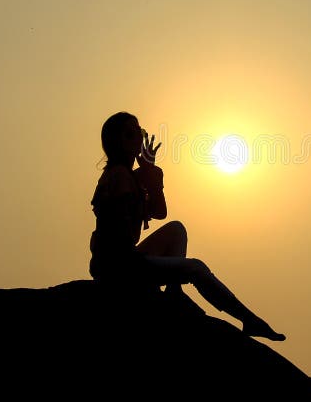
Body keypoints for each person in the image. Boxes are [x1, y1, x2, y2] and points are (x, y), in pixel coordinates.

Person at [89, 111, 285, 341]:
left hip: (124, 260)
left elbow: (160, 213)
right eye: (131, 135)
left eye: (140, 133)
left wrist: (150, 173)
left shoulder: (132, 176)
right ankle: (248, 319)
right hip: (118, 267)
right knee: (195, 268)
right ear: (116, 142)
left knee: (176, 229)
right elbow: (119, 237)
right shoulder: (119, 176)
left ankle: (174, 292)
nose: (139, 140)